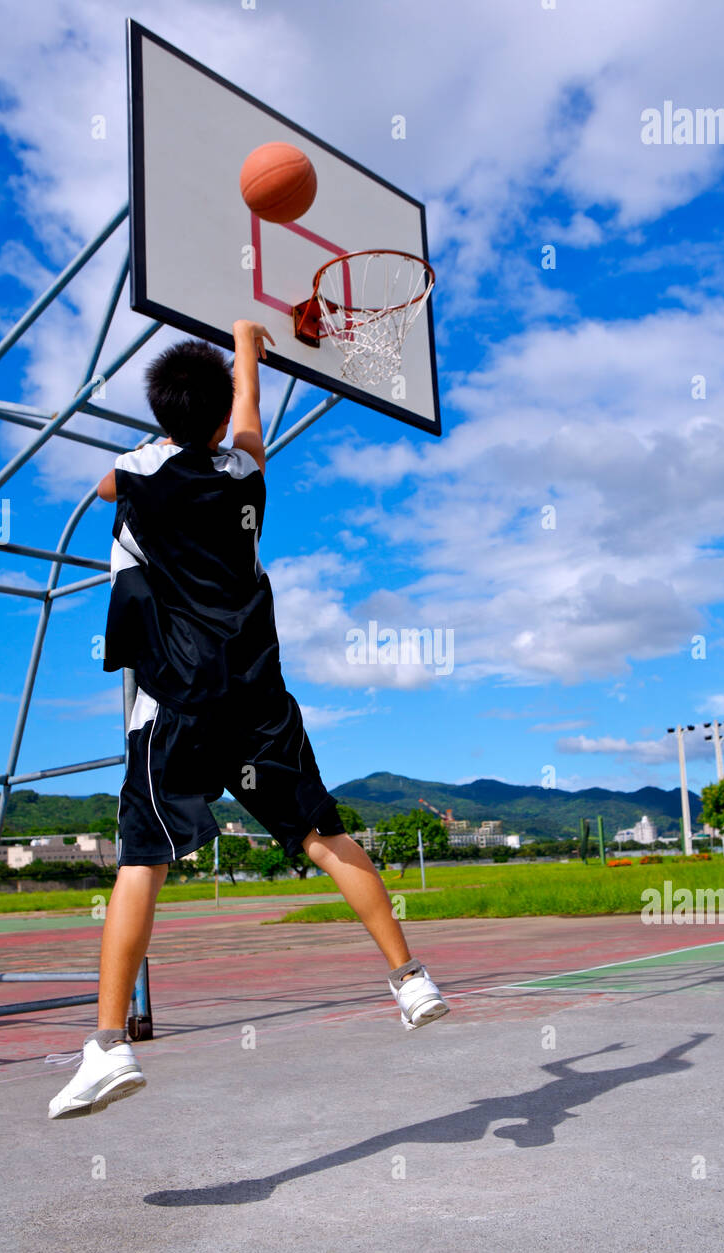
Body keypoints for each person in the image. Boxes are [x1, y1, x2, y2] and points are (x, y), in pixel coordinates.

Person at [49, 320, 448, 1120]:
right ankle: (412, 982)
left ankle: (108, 1044)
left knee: (142, 858)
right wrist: (248, 345)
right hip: (260, 700)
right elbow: (248, 420)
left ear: (162, 418)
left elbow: (103, 486)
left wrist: (178, 419)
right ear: (220, 412)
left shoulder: (136, 474)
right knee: (323, 835)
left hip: (180, 702)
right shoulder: (246, 478)